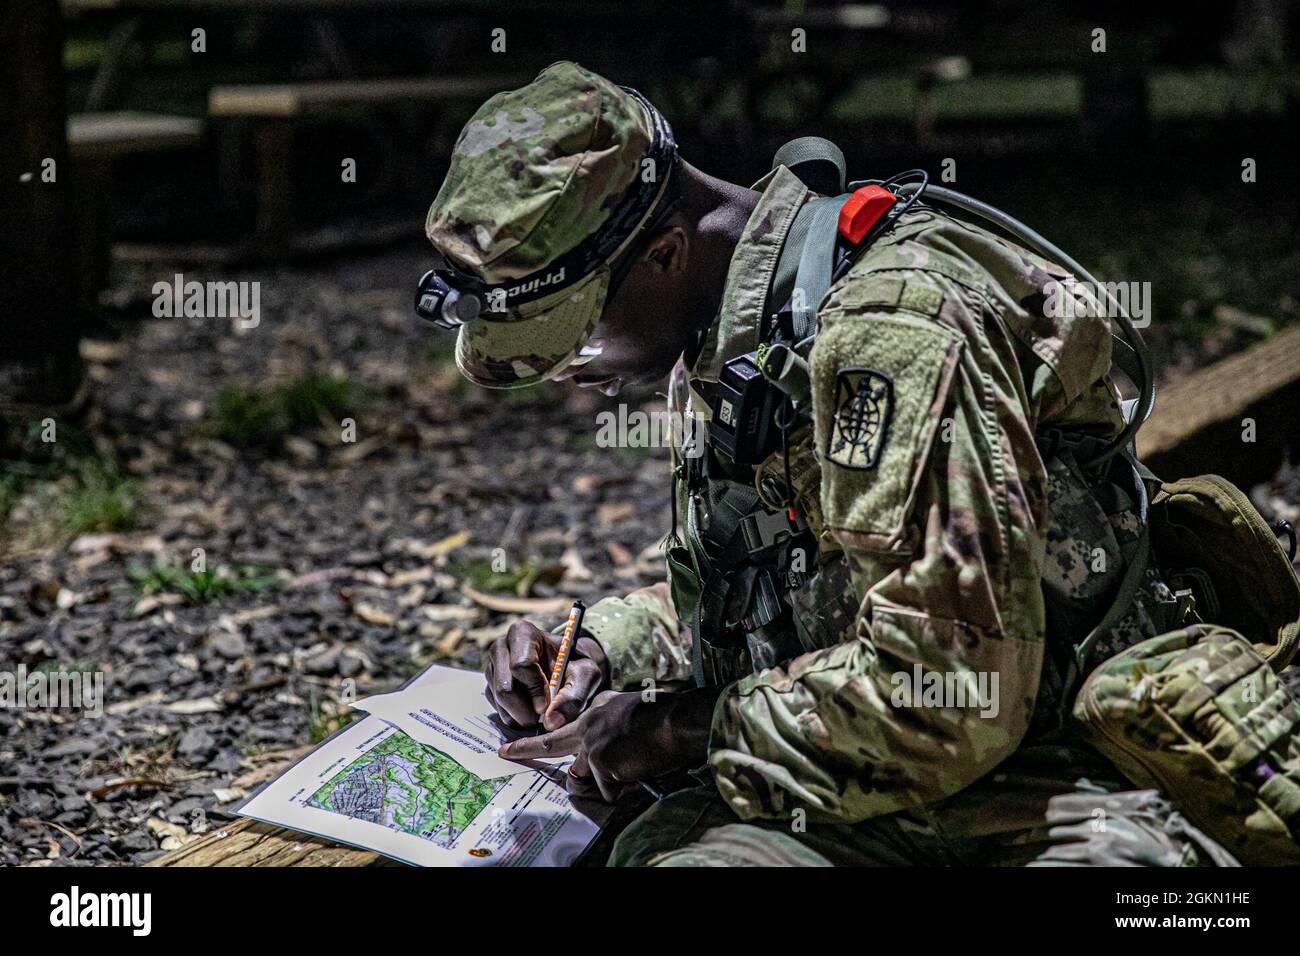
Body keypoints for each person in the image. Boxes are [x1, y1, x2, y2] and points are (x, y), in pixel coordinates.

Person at [419, 61, 1237, 866]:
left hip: (1044, 788)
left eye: (577, 339)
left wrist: (679, 729)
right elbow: (803, 592)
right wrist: (602, 647)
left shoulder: (889, 336)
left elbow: (952, 697)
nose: (571, 372)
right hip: (896, 778)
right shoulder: (744, 336)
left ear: (665, 254)